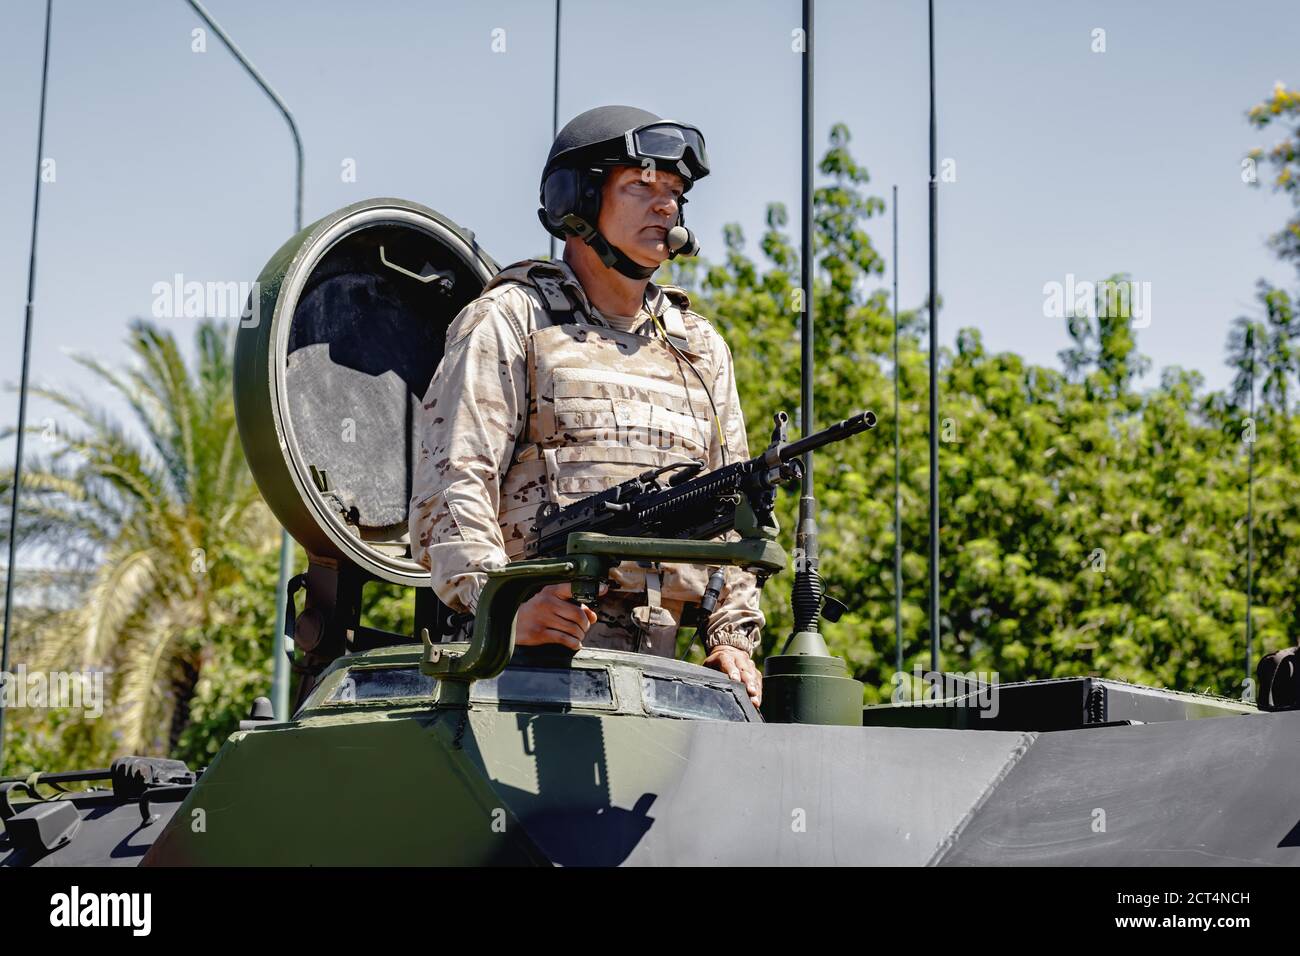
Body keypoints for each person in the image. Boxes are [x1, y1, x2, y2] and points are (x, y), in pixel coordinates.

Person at [410, 105, 764, 705]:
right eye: (641, 186)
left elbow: (727, 506)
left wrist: (730, 638)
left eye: (675, 192)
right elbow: (451, 489)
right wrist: (505, 607)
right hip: (527, 675)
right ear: (579, 200)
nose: (667, 206)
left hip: (663, 685)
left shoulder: (697, 347)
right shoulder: (511, 321)